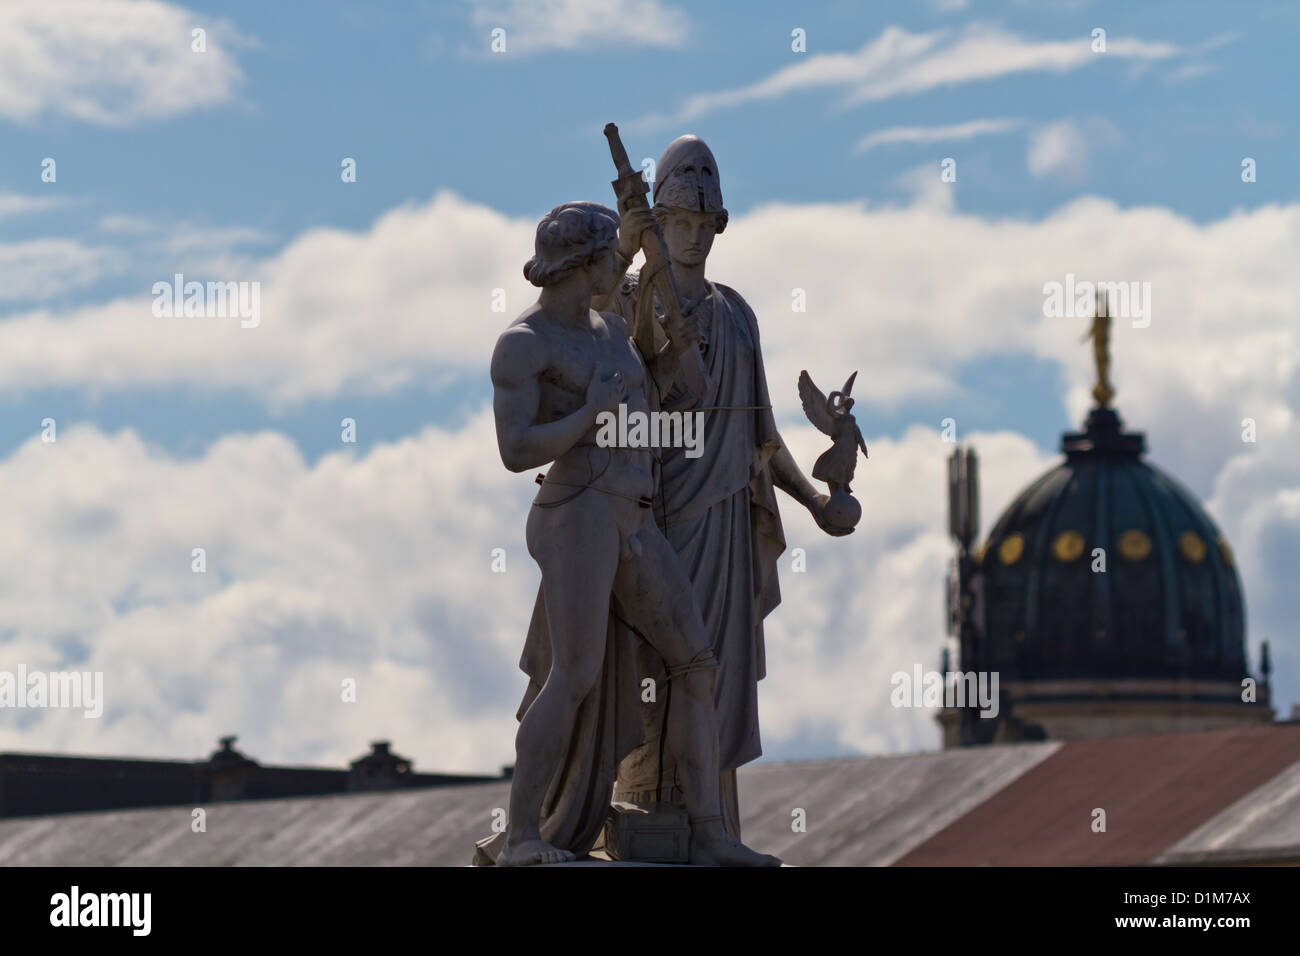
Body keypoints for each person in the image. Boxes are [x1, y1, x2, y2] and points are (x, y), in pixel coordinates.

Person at [484, 200, 779, 867]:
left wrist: (677, 358)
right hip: (575, 514)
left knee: (696, 663)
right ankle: (522, 837)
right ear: (583, 262)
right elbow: (516, 449)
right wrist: (591, 412)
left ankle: (708, 835)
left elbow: (646, 423)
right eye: (610, 257)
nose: (620, 267)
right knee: (576, 673)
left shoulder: (612, 336)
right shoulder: (524, 345)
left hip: (633, 516)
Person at [596, 136, 852, 837]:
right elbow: (583, 341)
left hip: (726, 526)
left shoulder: (737, 315)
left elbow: (761, 438)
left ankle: (709, 826)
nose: (693, 238)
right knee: (656, 674)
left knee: (714, 680)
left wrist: (817, 503)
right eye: (678, 224)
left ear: (720, 225)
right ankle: (651, 816)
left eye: (703, 227)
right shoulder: (629, 297)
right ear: (661, 222)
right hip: (655, 520)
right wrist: (623, 247)